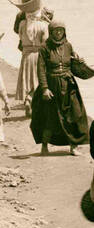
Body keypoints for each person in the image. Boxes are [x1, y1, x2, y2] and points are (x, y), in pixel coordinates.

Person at [30, 19, 94, 154]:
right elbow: (40, 70)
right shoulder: (44, 48)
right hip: (51, 85)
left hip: (68, 85)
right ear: (51, 32)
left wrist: (80, 62)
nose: (58, 33)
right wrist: (45, 88)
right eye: (56, 30)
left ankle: (73, 146)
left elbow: (73, 65)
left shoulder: (68, 46)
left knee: (75, 114)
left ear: (64, 32)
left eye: (61, 30)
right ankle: (44, 146)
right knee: (50, 117)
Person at [13, 1, 51, 115]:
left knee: (27, 78)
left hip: (26, 53)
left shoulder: (23, 24)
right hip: (38, 54)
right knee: (37, 78)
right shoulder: (44, 25)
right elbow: (46, 42)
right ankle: (32, 100)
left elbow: (20, 36)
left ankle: (27, 99)